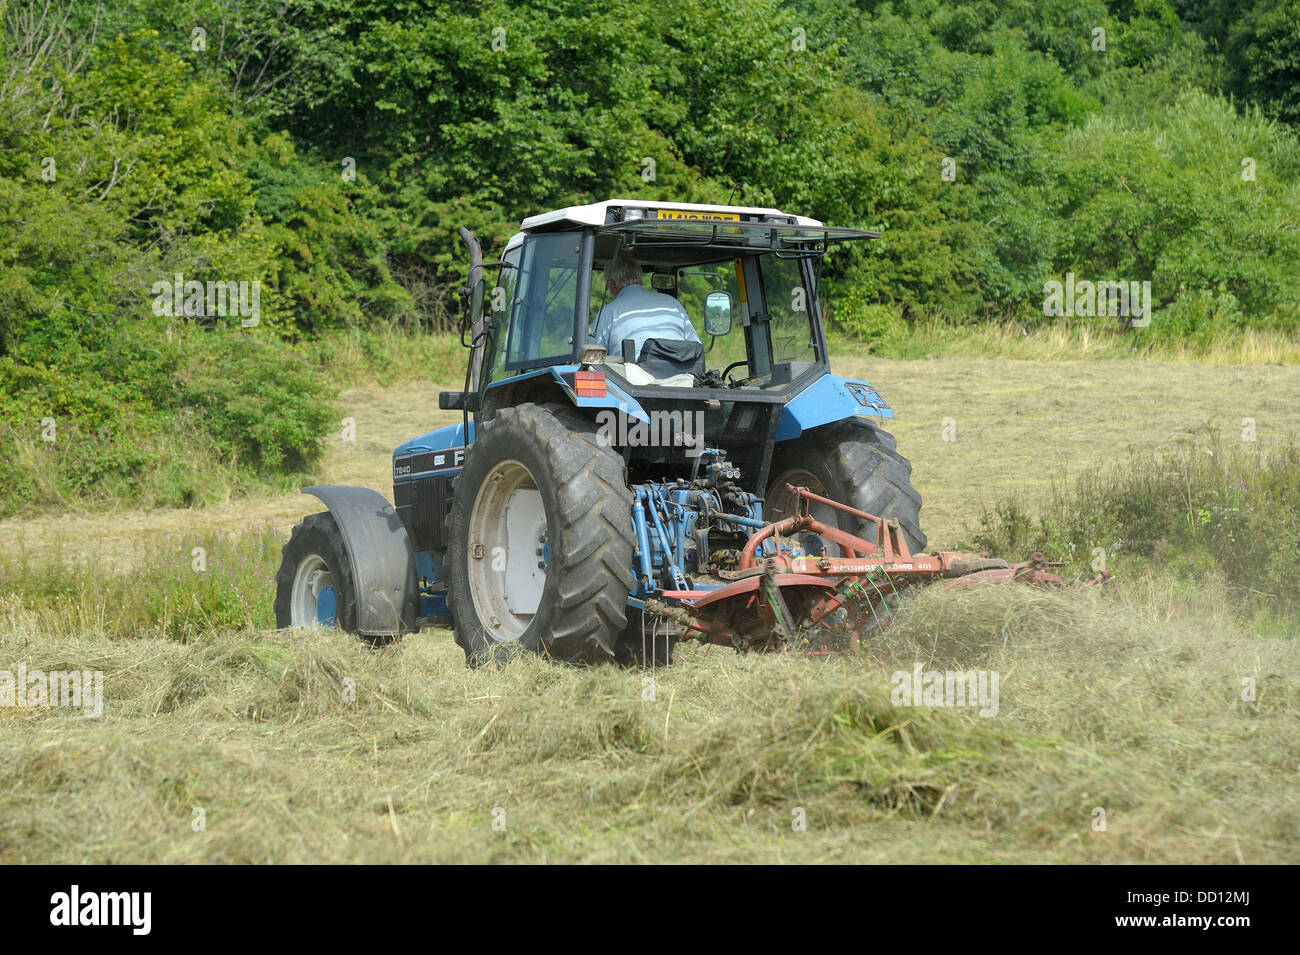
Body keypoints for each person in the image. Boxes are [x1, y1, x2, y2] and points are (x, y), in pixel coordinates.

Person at [589, 253, 701, 361]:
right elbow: (696, 348)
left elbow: (592, 358)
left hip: (629, 379)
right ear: (639, 277)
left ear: (612, 283)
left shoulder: (609, 312)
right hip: (680, 378)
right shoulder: (673, 304)